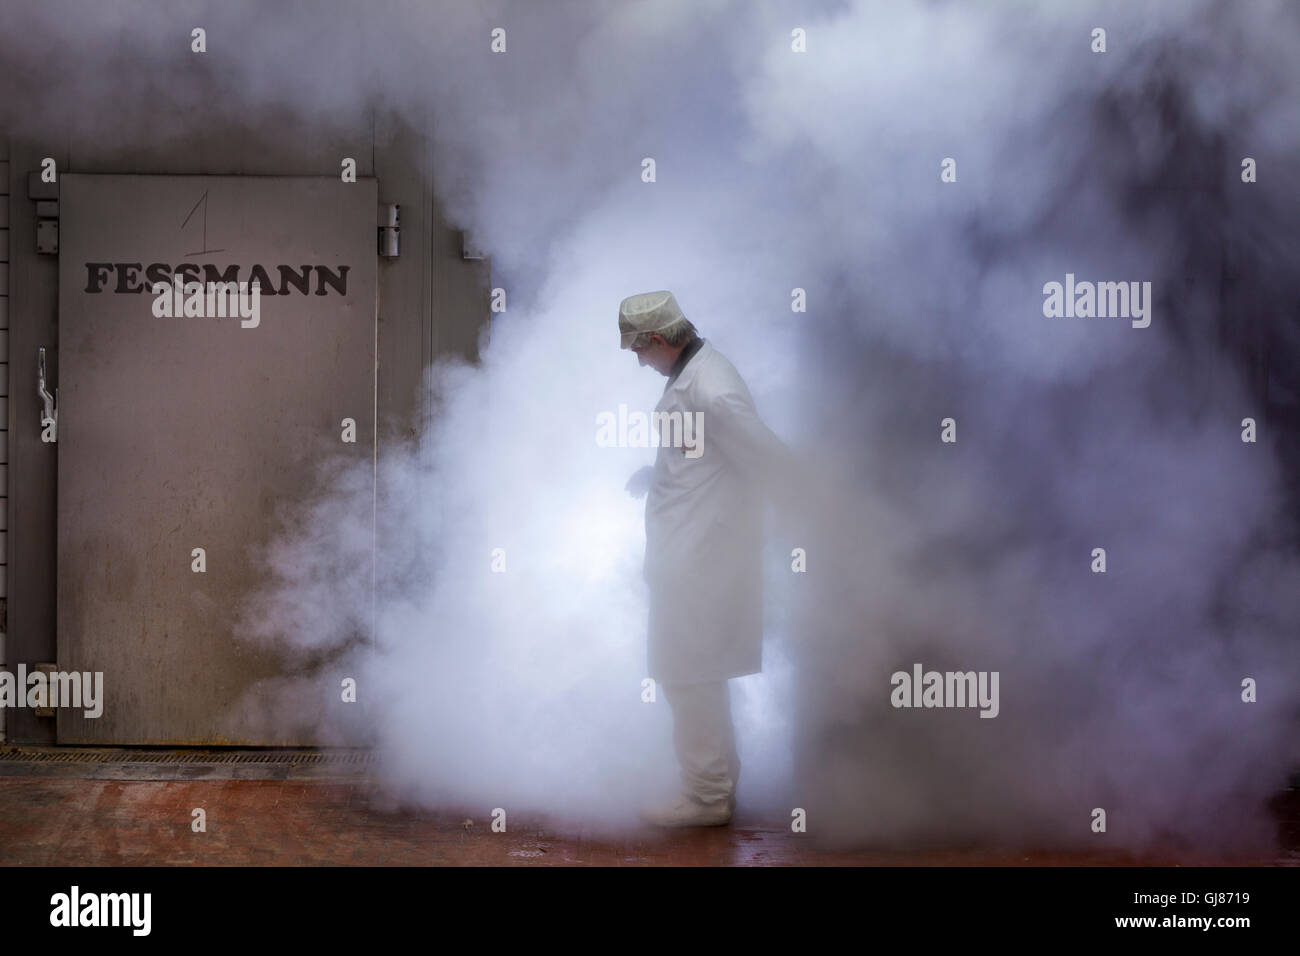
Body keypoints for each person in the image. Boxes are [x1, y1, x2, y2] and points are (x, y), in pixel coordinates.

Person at [618, 290, 792, 828]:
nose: (639, 361)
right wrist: (662, 472)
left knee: (687, 673)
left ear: (658, 340)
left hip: (701, 559)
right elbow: (705, 453)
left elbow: (767, 459)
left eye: (639, 351)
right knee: (690, 673)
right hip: (688, 550)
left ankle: (708, 797)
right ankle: (713, 787)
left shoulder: (711, 388)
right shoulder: (690, 375)